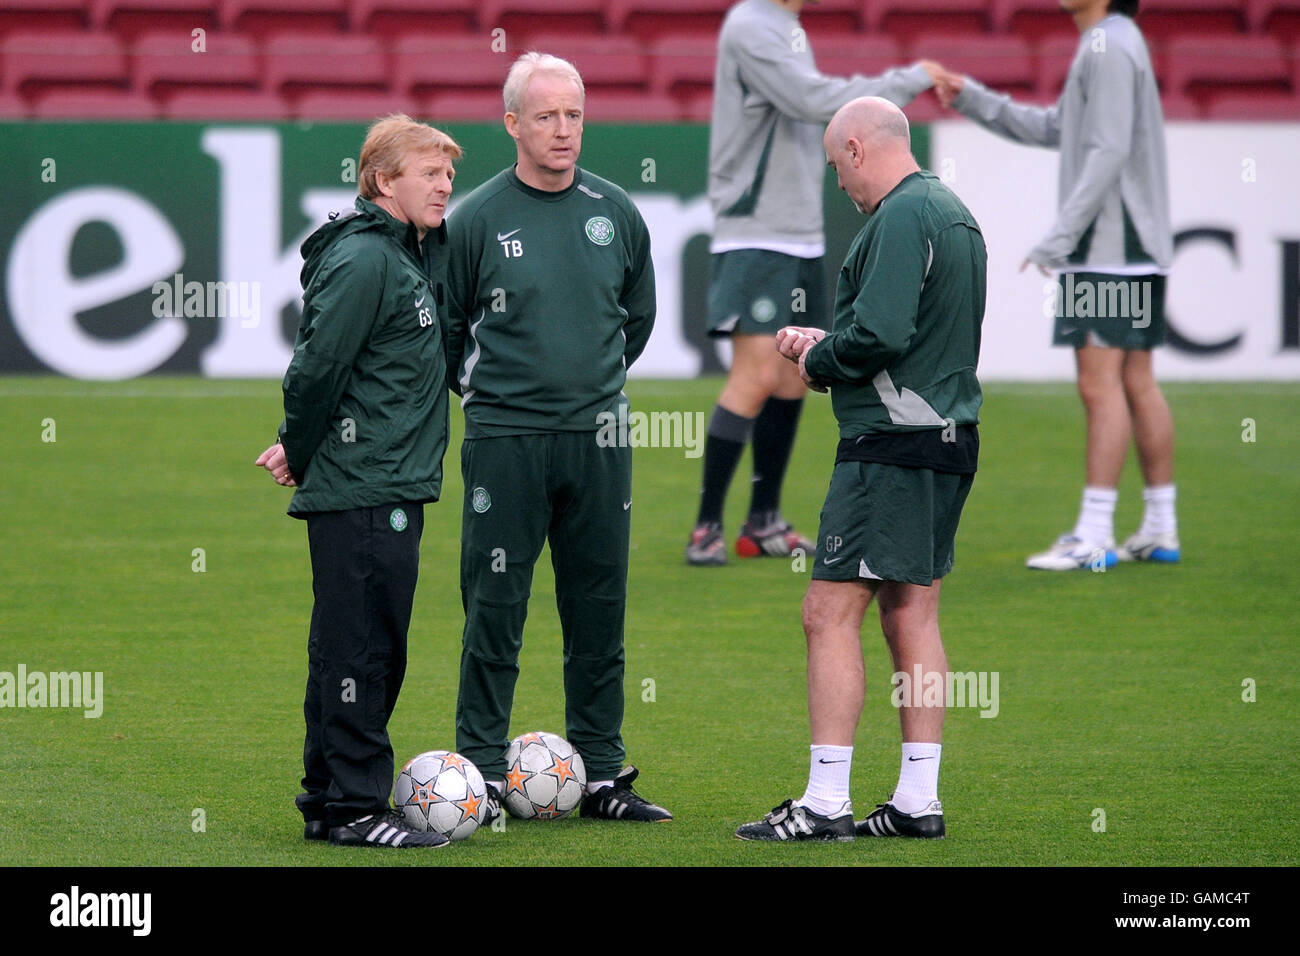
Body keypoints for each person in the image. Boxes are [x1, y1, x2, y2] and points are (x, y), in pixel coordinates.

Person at [736, 97, 986, 841]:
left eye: (835, 165)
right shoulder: (954, 212)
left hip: (891, 445)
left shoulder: (902, 215)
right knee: (912, 610)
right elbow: (913, 333)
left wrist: (818, 358)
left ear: (853, 146)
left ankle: (824, 803)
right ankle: (916, 801)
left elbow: (878, 335)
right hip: (947, 437)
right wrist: (836, 342)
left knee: (827, 612)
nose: (839, 183)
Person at [441, 53, 671, 823]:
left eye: (574, 114)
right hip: (506, 441)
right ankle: (478, 773)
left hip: (600, 442)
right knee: (494, 607)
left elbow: (634, 321)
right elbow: (443, 334)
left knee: (599, 605)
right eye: (546, 116)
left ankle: (602, 772)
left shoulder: (617, 212)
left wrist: (585, 389)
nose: (564, 129)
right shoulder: (473, 218)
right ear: (512, 124)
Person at [255, 114, 461, 848]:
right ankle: (355, 807)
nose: (444, 186)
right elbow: (315, 369)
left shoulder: (402, 254)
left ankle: (326, 798)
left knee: (351, 645)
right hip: (368, 487)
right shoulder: (368, 261)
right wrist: (302, 448)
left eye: (448, 175)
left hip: (379, 481)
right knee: (363, 650)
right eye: (430, 173)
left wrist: (300, 446)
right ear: (383, 182)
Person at [687, 0, 947, 566]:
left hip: (796, 232)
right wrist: (908, 80)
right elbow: (813, 100)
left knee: (789, 375)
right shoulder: (752, 23)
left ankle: (763, 522)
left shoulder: (784, 25)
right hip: (758, 229)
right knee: (755, 375)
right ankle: (706, 526)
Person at [930, 0, 1178, 571]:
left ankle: (1094, 534)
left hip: (1106, 247)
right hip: (1131, 244)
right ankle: (1161, 525)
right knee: (1136, 378)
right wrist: (974, 98)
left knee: (1099, 385)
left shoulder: (1108, 46)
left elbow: (1109, 149)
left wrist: (1061, 235)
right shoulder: (1113, 40)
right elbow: (1057, 129)